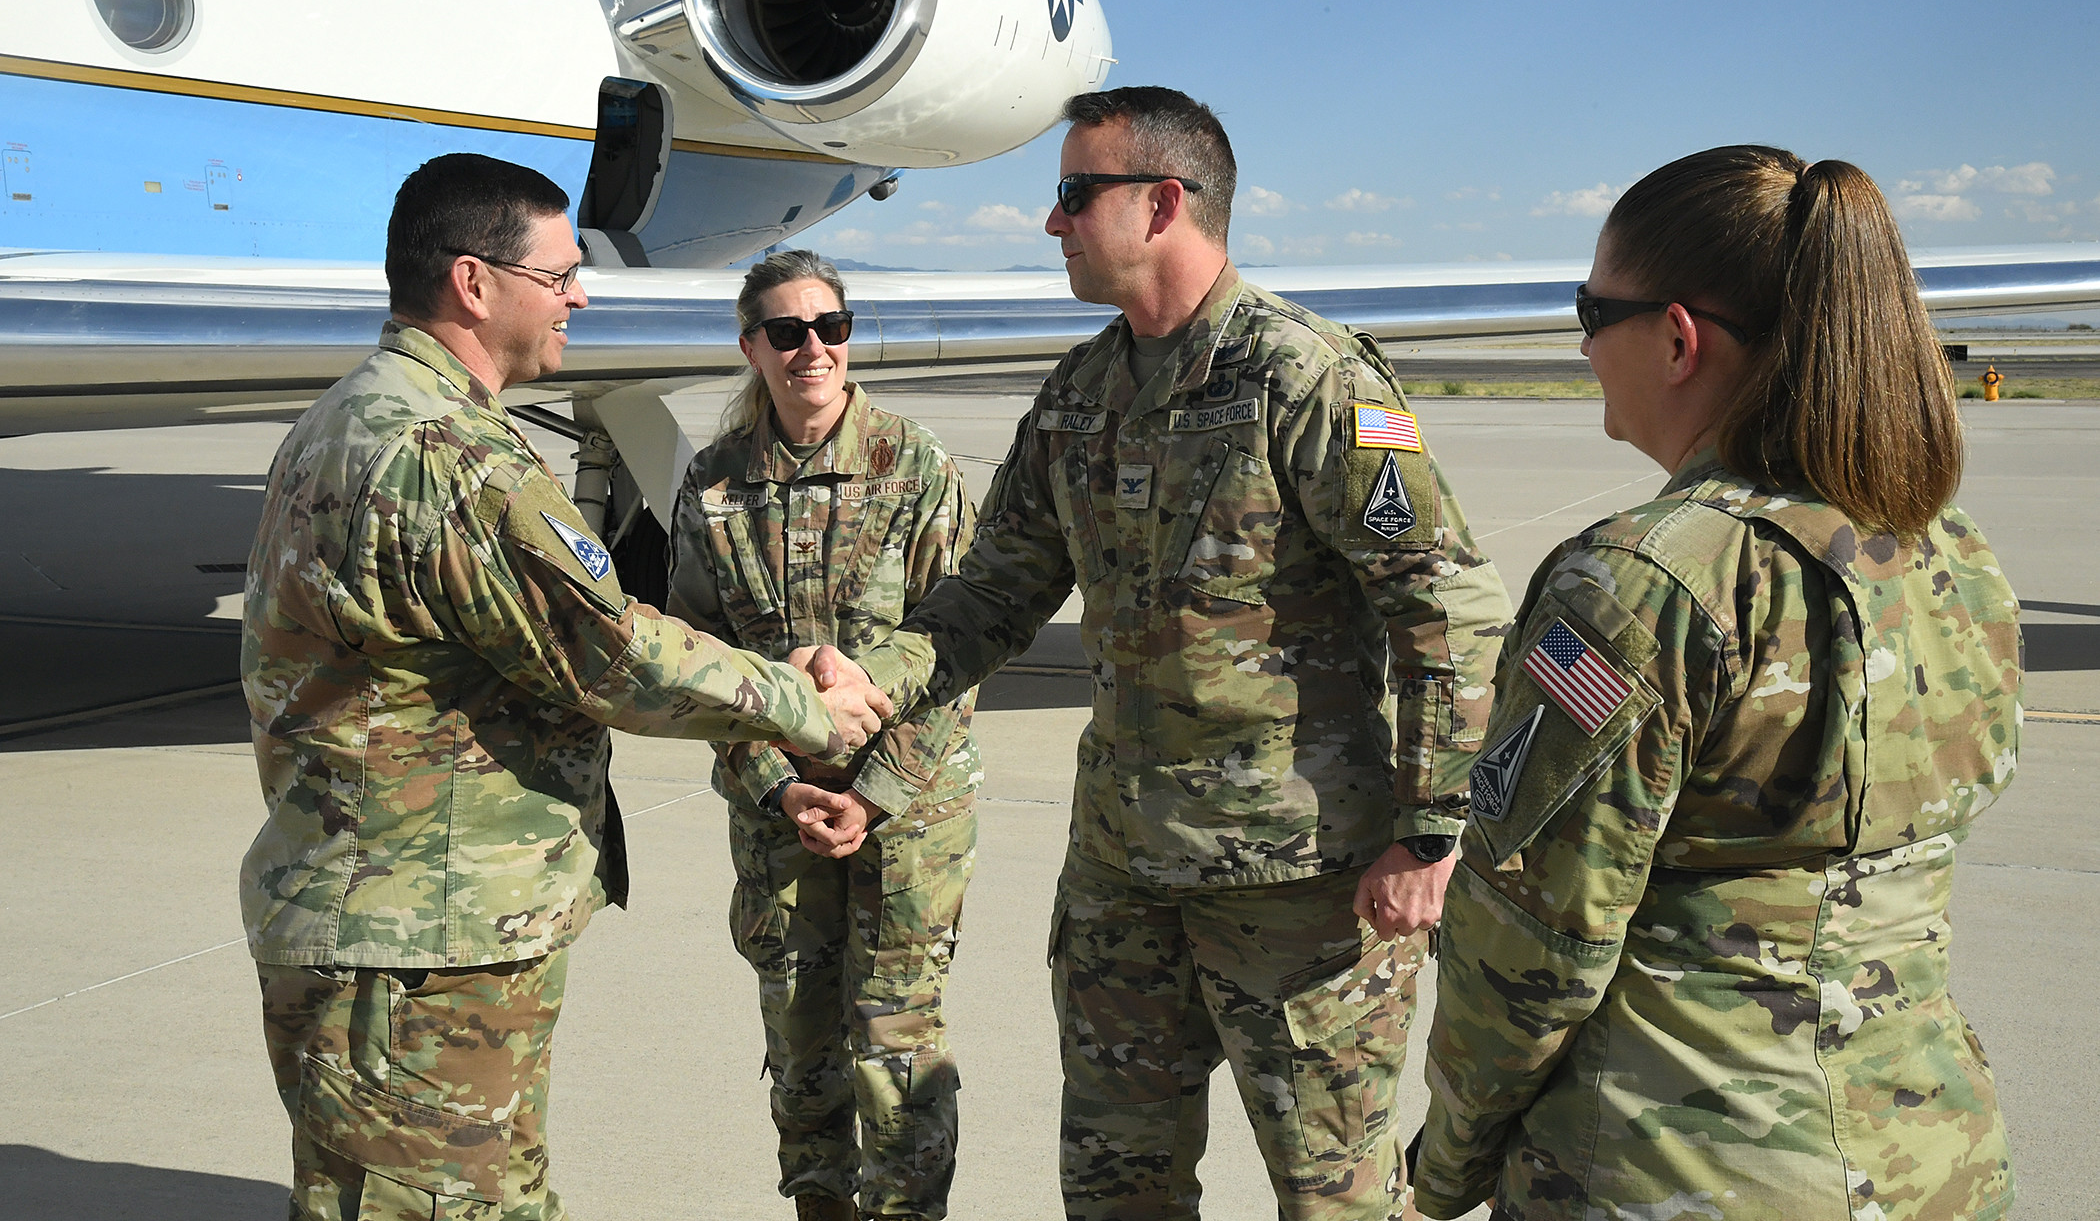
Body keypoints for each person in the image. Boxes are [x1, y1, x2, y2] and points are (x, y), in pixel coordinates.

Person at [805, 87, 1512, 1219]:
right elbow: (993, 593)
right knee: (1115, 1187)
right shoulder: (1081, 393)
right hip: (1124, 878)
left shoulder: (1309, 379)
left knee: (1335, 1196)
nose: (1053, 223)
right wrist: (871, 677)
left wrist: (1431, 827)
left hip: (1300, 884)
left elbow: (1445, 609)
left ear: (1164, 202)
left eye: (1075, 195)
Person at [238, 154, 891, 1221]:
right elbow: (612, 656)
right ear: (474, 282)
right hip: (420, 949)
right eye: (561, 273)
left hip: (394, 926)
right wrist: (800, 696)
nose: (580, 295)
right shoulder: (449, 459)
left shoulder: (355, 415)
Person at [1409, 146, 2021, 1220]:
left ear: (1680, 337)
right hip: (1933, 1160)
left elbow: (1529, 947)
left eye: (1592, 309)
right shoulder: (1949, 550)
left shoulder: (1643, 586)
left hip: (1677, 1174)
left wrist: (1445, 1161)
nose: (1587, 345)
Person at [664, 250, 981, 1221]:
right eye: (789, 331)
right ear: (751, 344)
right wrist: (776, 781)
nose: (814, 349)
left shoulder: (915, 468)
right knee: (803, 1055)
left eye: (830, 327)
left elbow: (957, 649)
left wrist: (872, 791)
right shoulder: (716, 490)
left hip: (909, 817)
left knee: (896, 1054)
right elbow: (696, 663)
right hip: (780, 821)